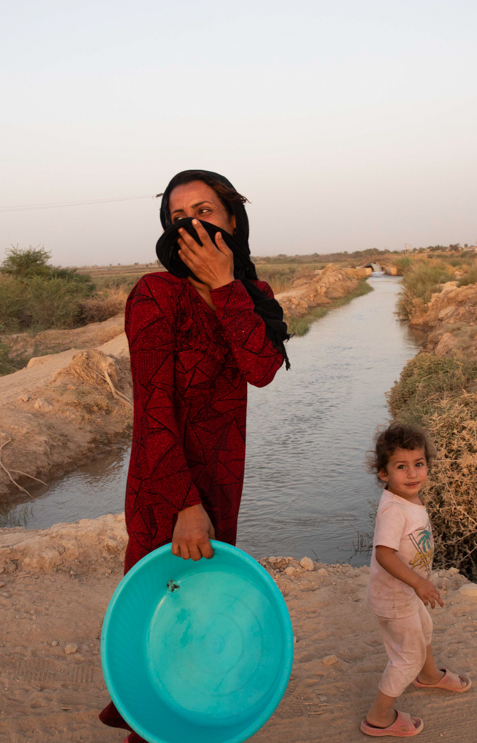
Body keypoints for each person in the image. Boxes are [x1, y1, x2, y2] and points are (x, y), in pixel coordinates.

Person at [100, 170, 288, 741]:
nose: (194, 224)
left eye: (206, 210)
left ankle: (184, 710)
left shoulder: (255, 297)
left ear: (233, 218)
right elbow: (151, 410)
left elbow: (260, 372)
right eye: (180, 218)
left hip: (224, 476)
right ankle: (150, 720)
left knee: (204, 606)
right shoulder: (155, 295)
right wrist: (183, 503)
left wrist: (228, 286)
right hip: (166, 482)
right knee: (163, 610)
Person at [361, 422, 471, 738]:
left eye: (418, 464)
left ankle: (430, 675)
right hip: (395, 597)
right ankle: (379, 716)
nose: (412, 474)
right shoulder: (394, 510)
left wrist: (417, 584)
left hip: (405, 593)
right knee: (406, 658)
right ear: (383, 473)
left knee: (424, 630)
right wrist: (420, 583)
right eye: (401, 467)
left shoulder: (410, 499)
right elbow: (384, 554)